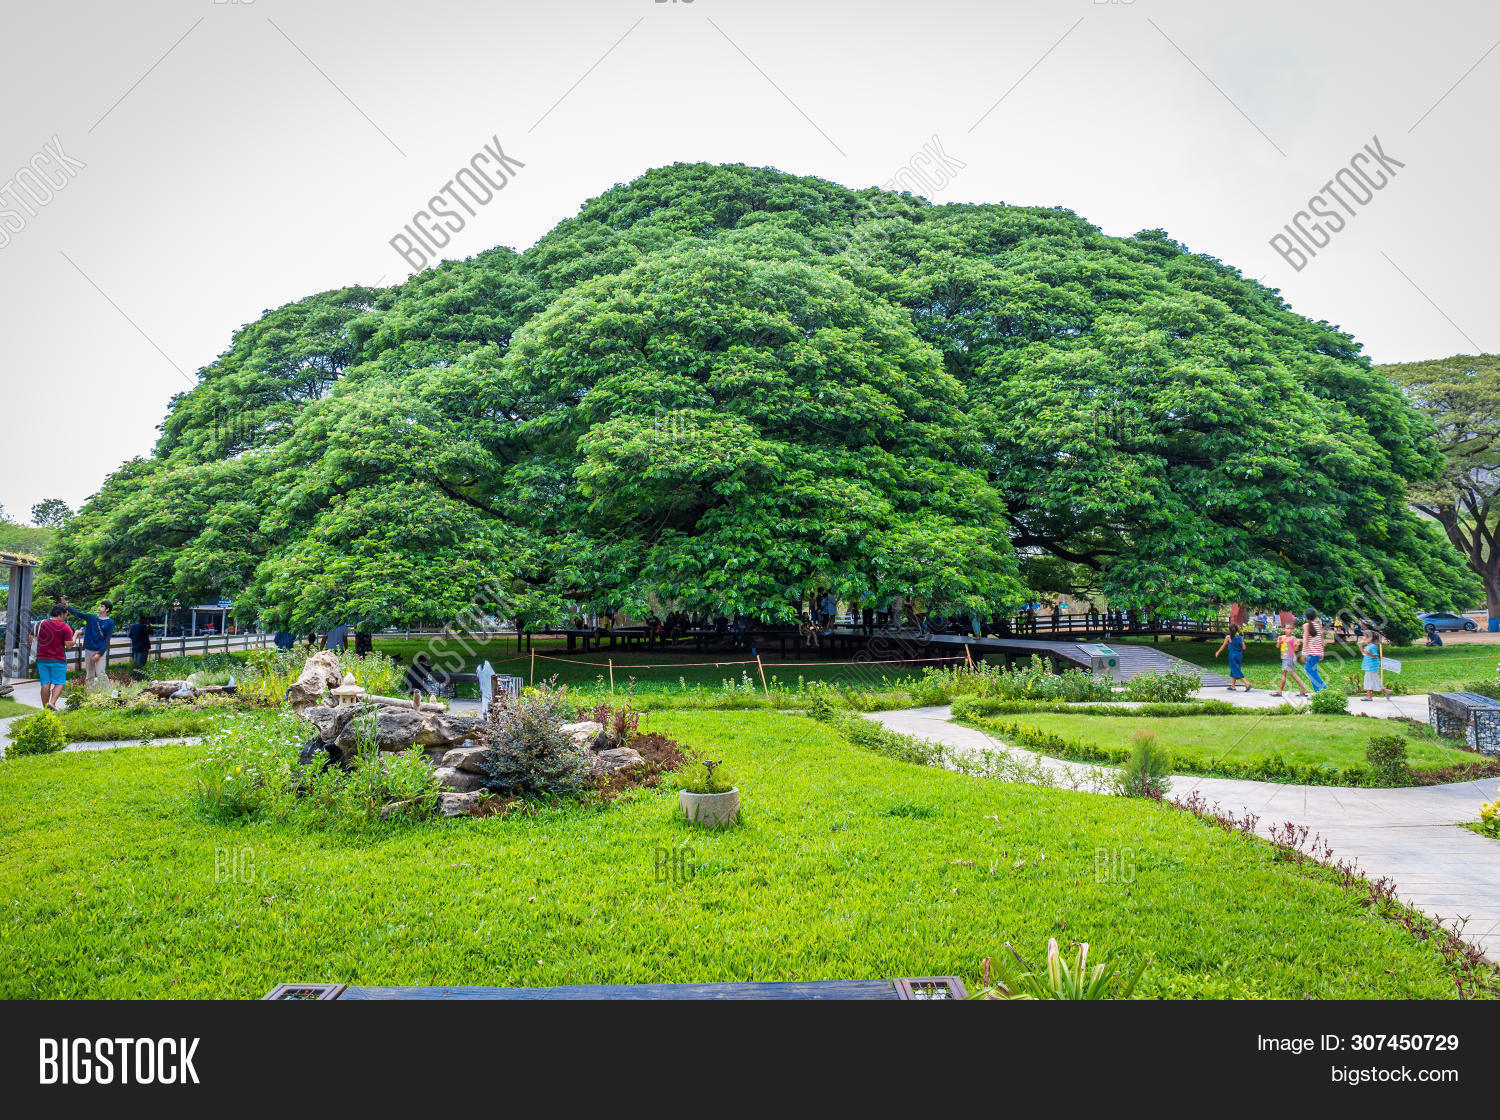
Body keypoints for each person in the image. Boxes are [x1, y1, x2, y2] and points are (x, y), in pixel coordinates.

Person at [62, 596, 115, 683]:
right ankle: (90, 694)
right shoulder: (91, 617)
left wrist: (100, 653)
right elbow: (78, 613)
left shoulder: (110, 622)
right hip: (88, 650)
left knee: (101, 674)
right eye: (100, 605)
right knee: (89, 675)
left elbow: (107, 639)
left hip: (100, 651)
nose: (99, 607)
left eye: (102, 606)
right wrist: (66, 605)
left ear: (107, 609)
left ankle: (106, 694)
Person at [34, 605, 75, 710]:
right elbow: (69, 645)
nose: (65, 618)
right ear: (60, 614)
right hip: (58, 659)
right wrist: (76, 635)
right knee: (60, 682)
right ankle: (52, 703)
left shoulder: (39, 624)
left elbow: (31, 639)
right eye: (65, 616)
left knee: (45, 683)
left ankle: (45, 709)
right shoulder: (65, 627)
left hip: (42, 659)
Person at [1269, 624, 1309, 697]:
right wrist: (1279, 641)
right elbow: (1277, 646)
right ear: (1284, 629)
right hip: (1285, 658)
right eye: (1288, 628)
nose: (1289, 630)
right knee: (1290, 673)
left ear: (1293, 630)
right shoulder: (1282, 637)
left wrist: (1297, 645)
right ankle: (1302, 689)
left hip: (1289, 657)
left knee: (1286, 674)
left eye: (1291, 629)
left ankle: (1280, 691)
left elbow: (1295, 650)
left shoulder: (1293, 638)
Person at [1214, 624, 1251, 691]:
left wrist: (1218, 652)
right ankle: (1232, 686)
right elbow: (1244, 648)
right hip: (1239, 655)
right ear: (1237, 630)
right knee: (1235, 669)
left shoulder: (1228, 637)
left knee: (1236, 670)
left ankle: (1247, 683)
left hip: (1232, 655)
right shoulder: (1240, 637)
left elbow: (1223, 646)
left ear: (1230, 630)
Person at [1359, 629, 1392, 702]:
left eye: (1364, 636)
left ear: (1370, 638)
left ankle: (1369, 697)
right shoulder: (1368, 646)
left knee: (1368, 681)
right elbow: (1364, 653)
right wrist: (1360, 646)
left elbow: (1375, 655)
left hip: (1371, 666)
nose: (1363, 638)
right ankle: (1387, 691)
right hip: (1369, 666)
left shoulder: (1372, 646)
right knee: (1374, 681)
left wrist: (1369, 653)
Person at [1301, 609, 1327, 692]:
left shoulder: (1306, 625)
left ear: (1306, 617)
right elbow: (1321, 640)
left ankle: (1324, 687)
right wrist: (1322, 652)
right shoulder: (1318, 626)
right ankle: (1317, 691)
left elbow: (1305, 640)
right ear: (1315, 616)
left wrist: (1303, 653)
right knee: (1312, 672)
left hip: (1311, 653)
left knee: (1308, 670)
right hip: (1317, 653)